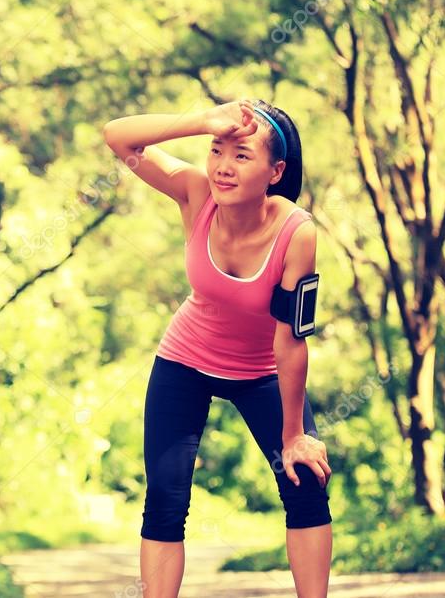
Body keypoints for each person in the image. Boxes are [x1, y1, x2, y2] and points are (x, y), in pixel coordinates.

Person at [102, 100, 333, 598]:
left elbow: (291, 340)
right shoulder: (195, 193)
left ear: (276, 171)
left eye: (242, 155)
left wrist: (294, 435)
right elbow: (117, 136)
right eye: (217, 151)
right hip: (185, 361)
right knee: (165, 498)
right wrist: (202, 121)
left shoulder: (297, 233)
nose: (224, 166)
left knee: (305, 483)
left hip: (261, 371)